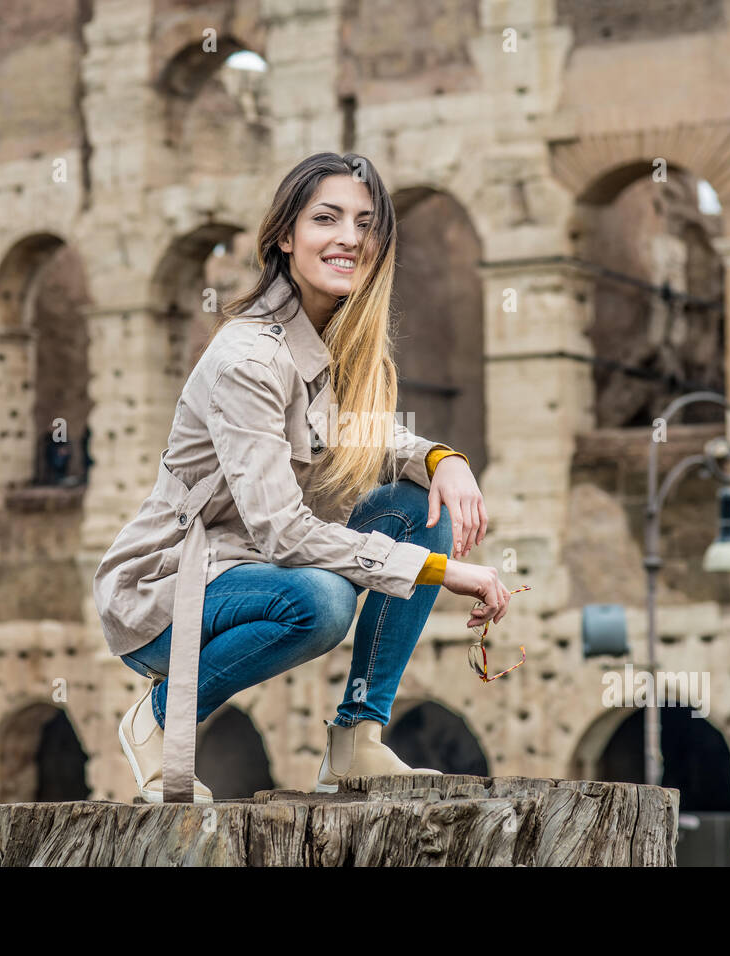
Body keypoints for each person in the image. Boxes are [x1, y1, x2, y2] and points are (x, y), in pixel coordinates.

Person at [93, 152, 513, 804]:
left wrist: (443, 460)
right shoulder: (248, 356)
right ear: (285, 236)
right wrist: (438, 571)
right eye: (327, 218)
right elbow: (284, 534)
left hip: (248, 571)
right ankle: (157, 719)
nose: (350, 237)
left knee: (415, 506)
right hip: (165, 591)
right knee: (323, 603)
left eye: (365, 223)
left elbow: (370, 437)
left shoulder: (329, 340)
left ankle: (357, 738)